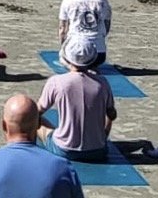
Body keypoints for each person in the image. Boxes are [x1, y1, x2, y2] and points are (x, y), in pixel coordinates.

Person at [36, 32, 117, 162]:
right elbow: (112, 114)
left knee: (37, 121)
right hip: (98, 150)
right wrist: (105, 131)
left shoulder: (56, 82)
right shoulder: (102, 83)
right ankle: (99, 138)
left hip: (65, 149)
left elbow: (37, 111)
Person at [57, 0, 111, 70]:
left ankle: (73, 67)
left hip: (75, 49)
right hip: (99, 54)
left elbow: (62, 29)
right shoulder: (103, 2)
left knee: (62, 58)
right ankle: (91, 66)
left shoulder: (67, 1)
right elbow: (106, 28)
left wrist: (63, 46)